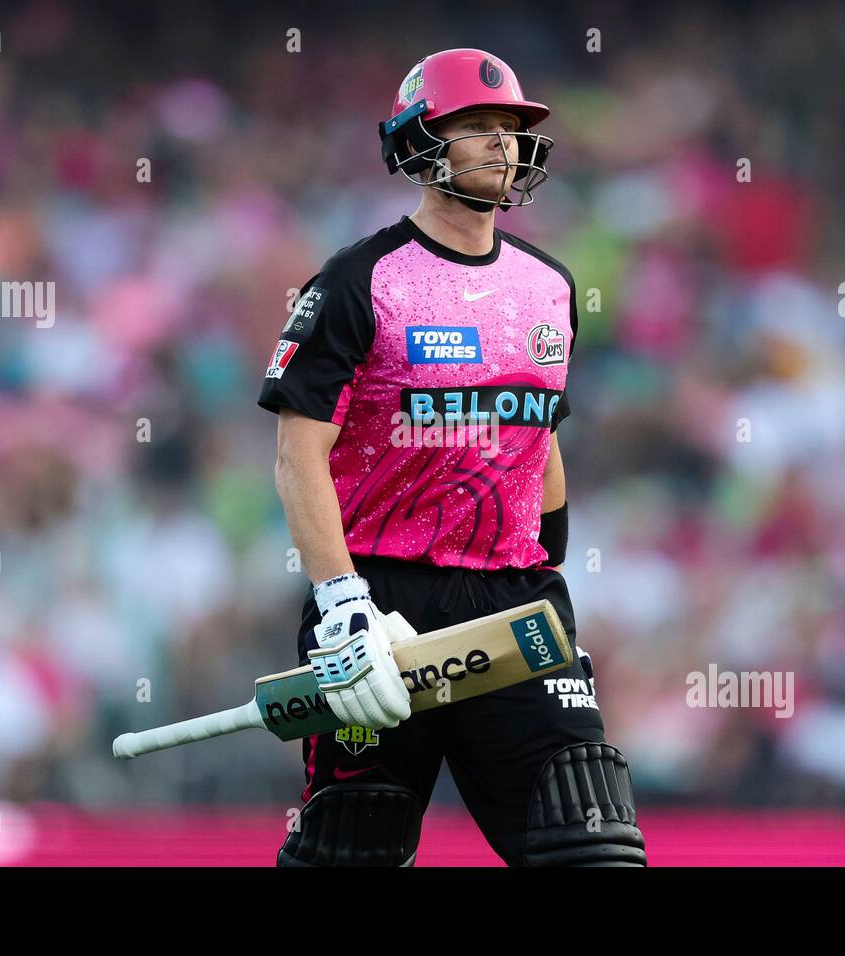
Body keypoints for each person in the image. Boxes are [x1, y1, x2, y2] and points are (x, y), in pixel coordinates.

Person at [257, 47, 646, 866]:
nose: (502, 143)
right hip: (378, 604)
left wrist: (548, 571)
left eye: (511, 127)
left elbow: (537, 441)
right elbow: (299, 454)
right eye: (478, 126)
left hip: (513, 604)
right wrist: (341, 603)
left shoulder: (549, 285)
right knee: (350, 851)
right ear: (421, 142)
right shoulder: (358, 280)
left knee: (593, 847)